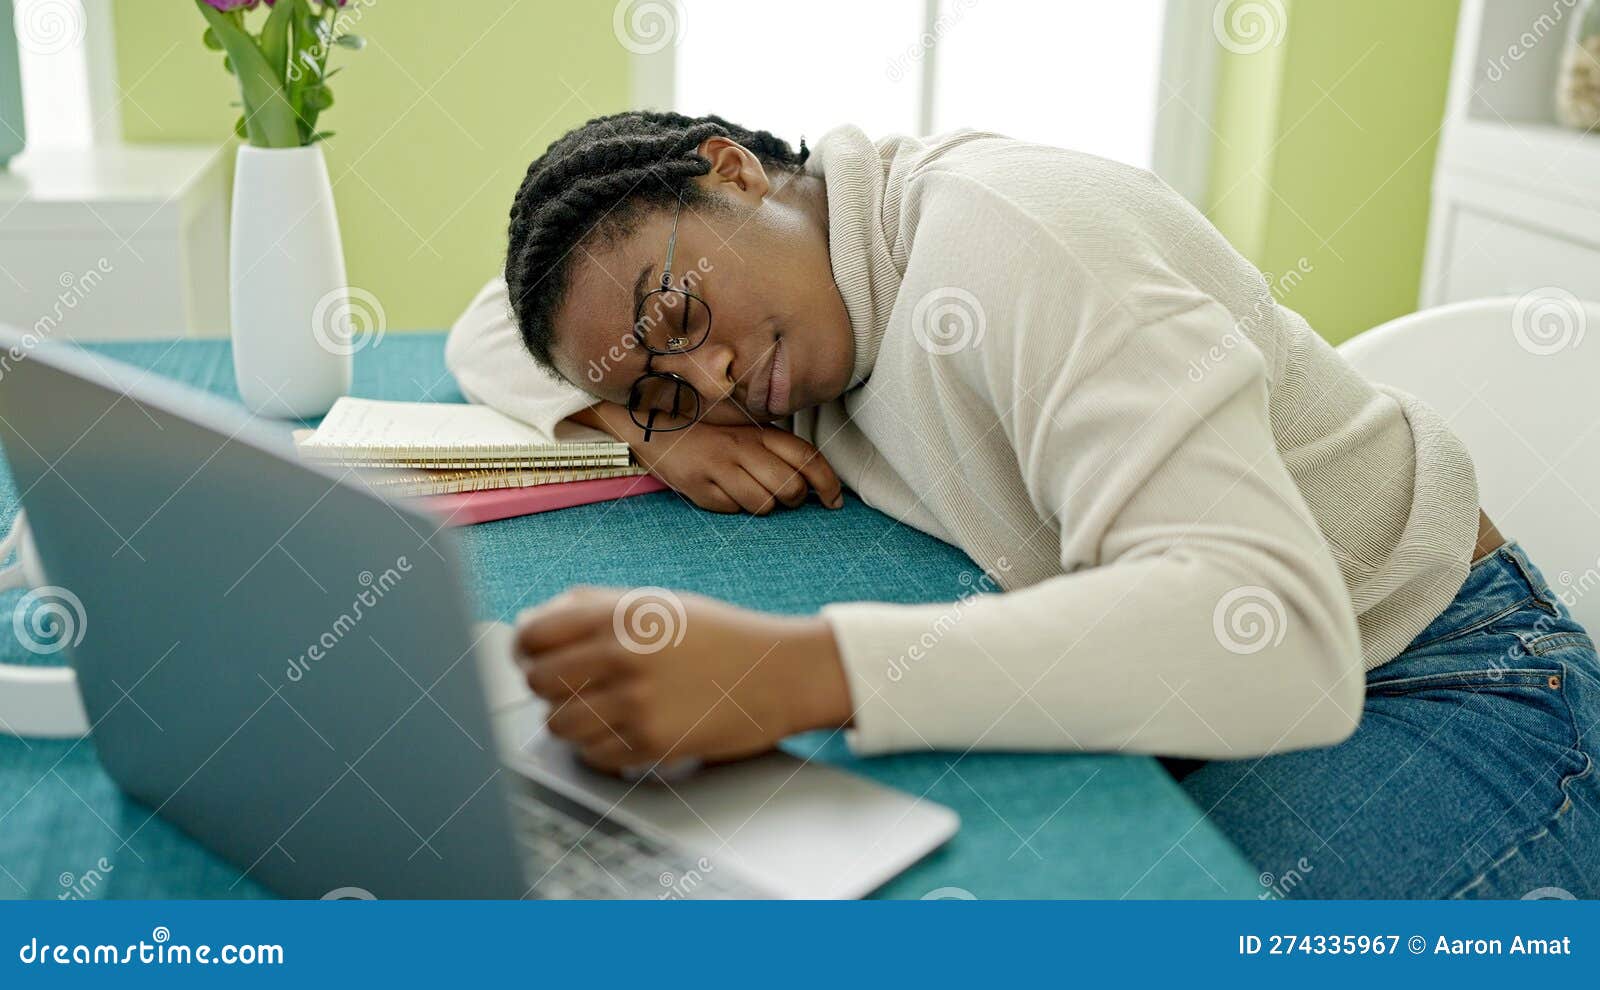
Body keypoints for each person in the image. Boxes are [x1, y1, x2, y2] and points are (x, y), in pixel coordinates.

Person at [447, 111, 1599, 898]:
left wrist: (787, 674)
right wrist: (651, 425)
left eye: (684, 321)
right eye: (658, 375)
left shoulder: (1010, 245)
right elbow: (482, 327)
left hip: (1433, 680)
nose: (711, 383)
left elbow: (1271, 637)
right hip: (1186, 696)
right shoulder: (786, 290)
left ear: (733, 170)